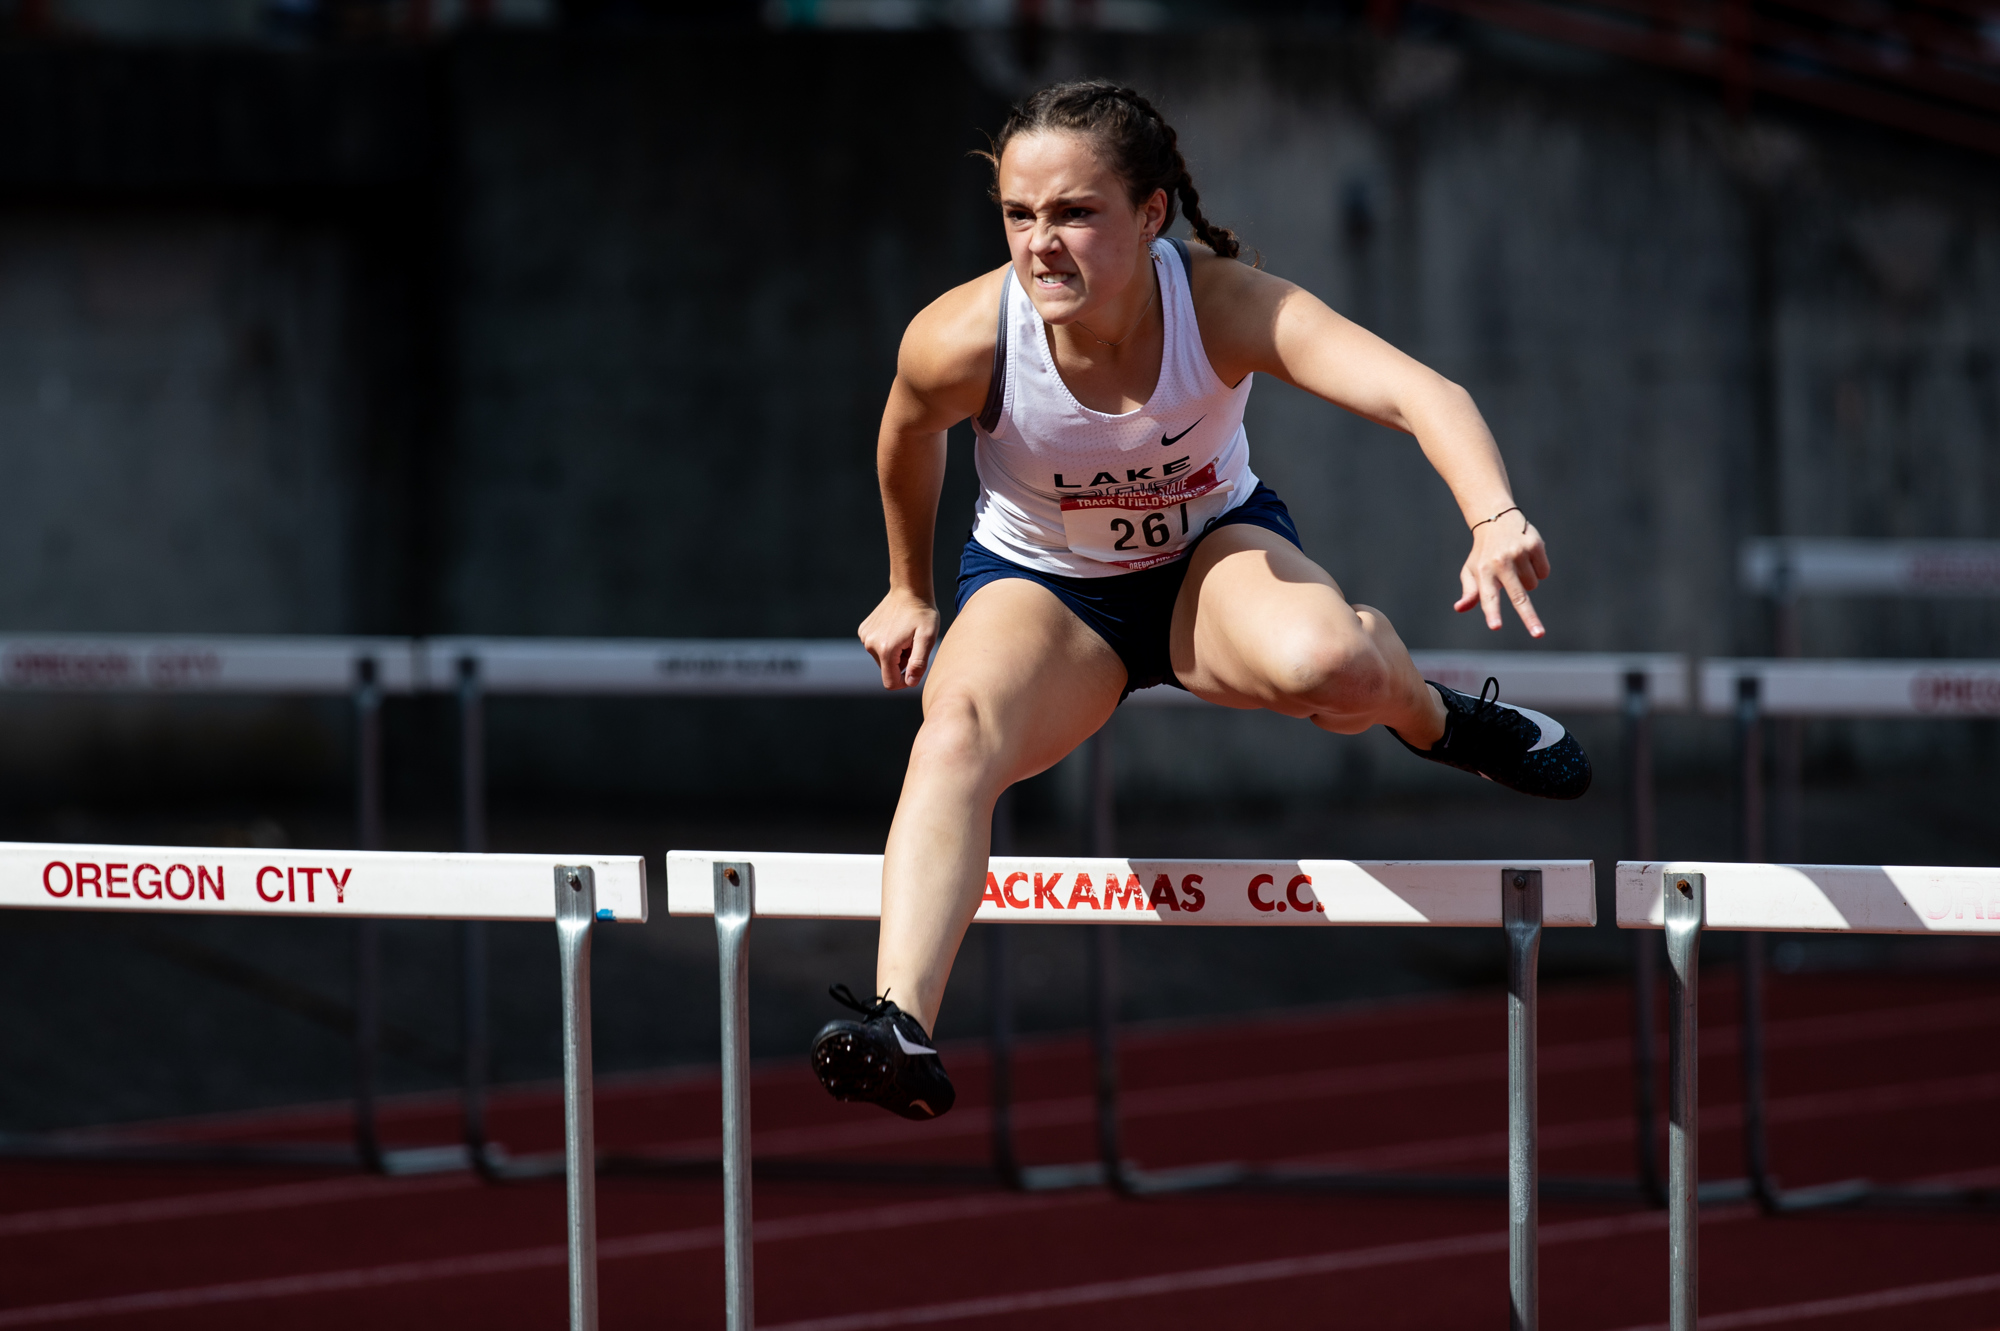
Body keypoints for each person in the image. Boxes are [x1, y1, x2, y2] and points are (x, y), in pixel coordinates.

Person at [811, 81, 1590, 1122]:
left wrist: (1492, 515)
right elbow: (908, 432)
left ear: (1148, 214)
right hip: (1044, 593)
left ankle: (1437, 716)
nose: (1040, 244)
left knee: (1334, 667)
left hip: (1206, 565)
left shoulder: (1220, 304)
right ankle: (901, 1020)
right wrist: (908, 586)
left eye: (1074, 212)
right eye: (1017, 215)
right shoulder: (962, 335)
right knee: (951, 731)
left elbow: (1419, 393)